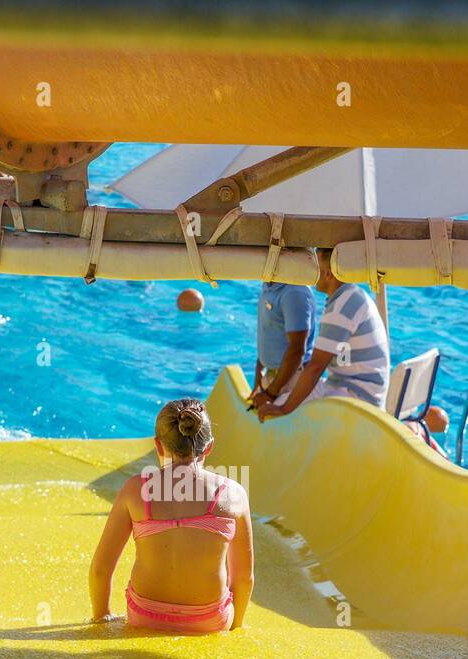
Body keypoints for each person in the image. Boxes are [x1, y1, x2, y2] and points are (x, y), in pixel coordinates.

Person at [89, 399, 254, 633]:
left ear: (158, 445)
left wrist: (101, 617)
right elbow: (244, 578)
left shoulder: (136, 490)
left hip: (144, 615)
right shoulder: (233, 493)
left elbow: (100, 569)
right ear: (209, 447)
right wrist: (234, 628)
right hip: (208, 620)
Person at [257, 248, 389, 419]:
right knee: (283, 402)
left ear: (328, 274)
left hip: (357, 395)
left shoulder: (341, 308)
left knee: (276, 413)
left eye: (316, 268)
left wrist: (284, 410)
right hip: (351, 386)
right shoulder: (351, 295)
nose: (311, 274)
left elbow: (315, 368)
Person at [249, 278, 317, 413]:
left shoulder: (294, 292)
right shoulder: (270, 284)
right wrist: (260, 367)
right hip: (275, 378)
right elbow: (270, 330)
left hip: (290, 381)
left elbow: (297, 350)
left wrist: (270, 393)